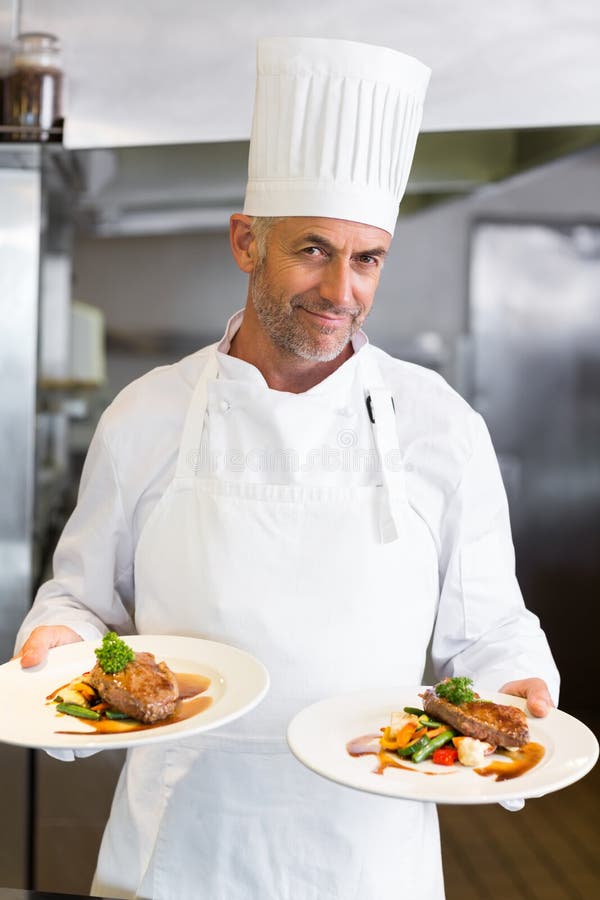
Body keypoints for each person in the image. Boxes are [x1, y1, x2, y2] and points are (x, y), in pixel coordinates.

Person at [16, 37, 558, 900]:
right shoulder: (146, 415)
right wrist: (58, 641)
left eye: (367, 258)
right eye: (312, 249)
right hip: (181, 845)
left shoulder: (442, 426)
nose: (342, 290)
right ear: (246, 241)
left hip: (370, 851)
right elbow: (83, 602)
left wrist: (516, 685)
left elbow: (489, 630)